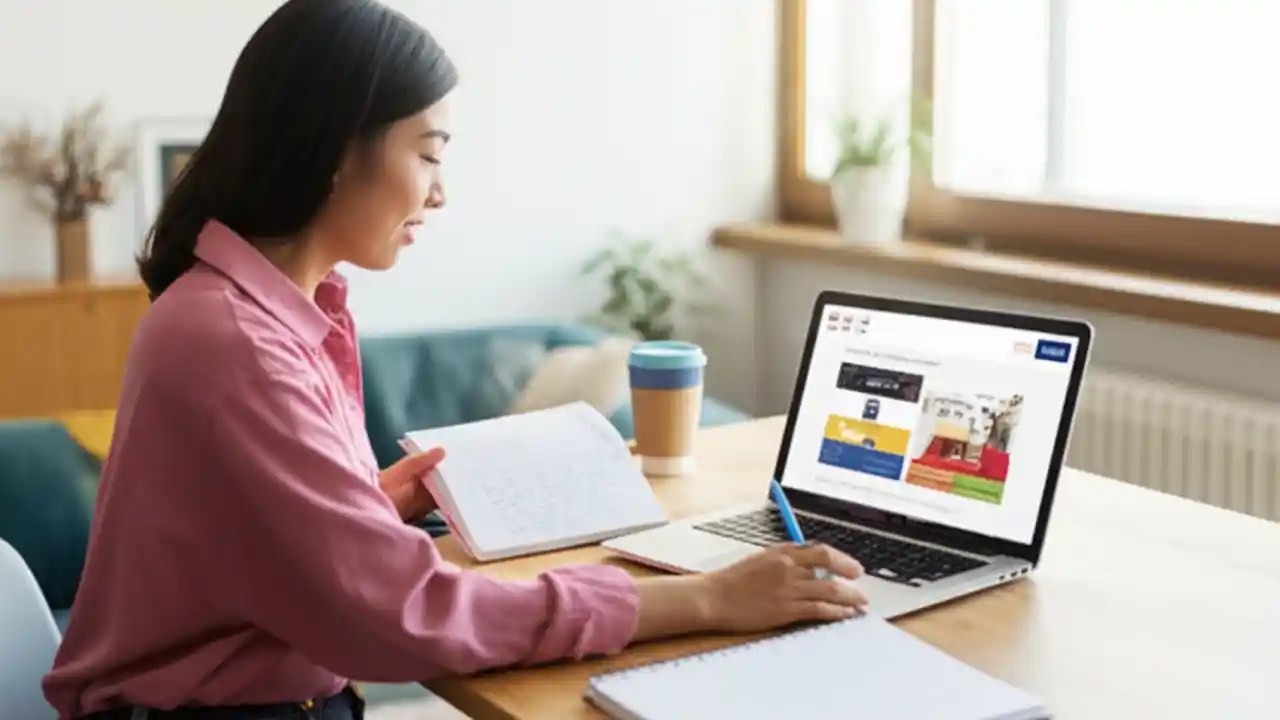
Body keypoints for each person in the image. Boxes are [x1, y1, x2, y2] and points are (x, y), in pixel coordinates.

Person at [42, 2, 868, 718]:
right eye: (430, 153)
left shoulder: (270, 312)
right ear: (337, 149)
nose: (440, 193)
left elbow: (246, 545)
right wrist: (706, 597)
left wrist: (360, 507)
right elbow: (406, 614)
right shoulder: (233, 342)